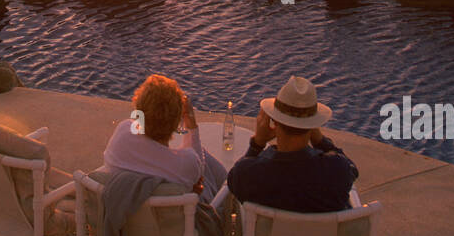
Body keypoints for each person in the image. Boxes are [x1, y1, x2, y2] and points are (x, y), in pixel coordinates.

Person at [227, 75, 357, 213]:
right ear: (312, 126)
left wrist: (257, 144)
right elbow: (353, 170)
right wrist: (320, 141)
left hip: (272, 235)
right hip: (322, 234)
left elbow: (232, 181)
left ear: (274, 121)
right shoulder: (337, 170)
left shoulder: (248, 174)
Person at [102, 74, 225, 198]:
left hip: (129, 211)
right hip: (178, 214)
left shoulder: (123, 133)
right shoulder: (186, 164)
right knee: (212, 171)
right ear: (176, 120)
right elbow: (199, 171)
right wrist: (191, 125)